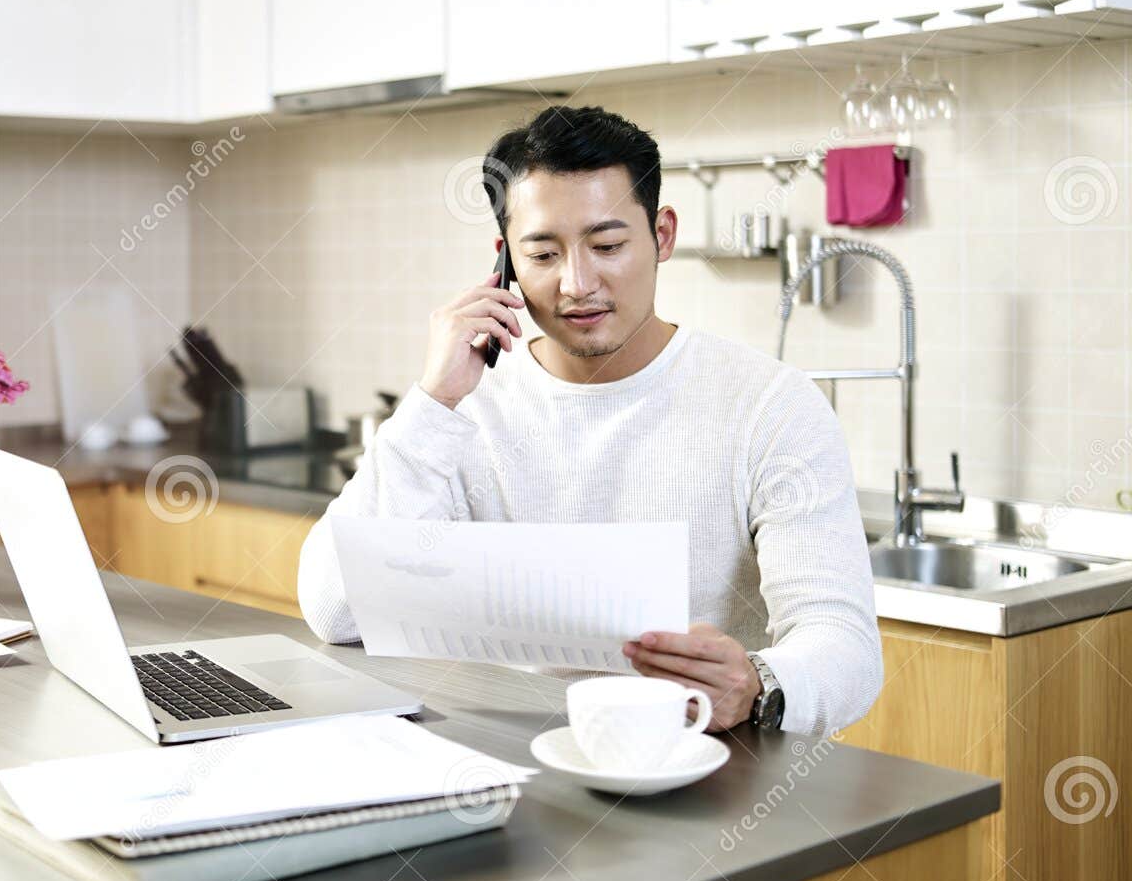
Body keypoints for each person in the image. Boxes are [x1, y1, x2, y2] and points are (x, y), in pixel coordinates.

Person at [296, 105, 882, 736]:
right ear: (506, 262)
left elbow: (844, 645)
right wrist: (432, 402)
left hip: (695, 770)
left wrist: (760, 683)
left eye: (607, 246)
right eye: (543, 253)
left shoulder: (771, 406)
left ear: (662, 235)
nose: (577, 284)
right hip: (501, 764)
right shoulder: (466, 406)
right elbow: (336, 609)